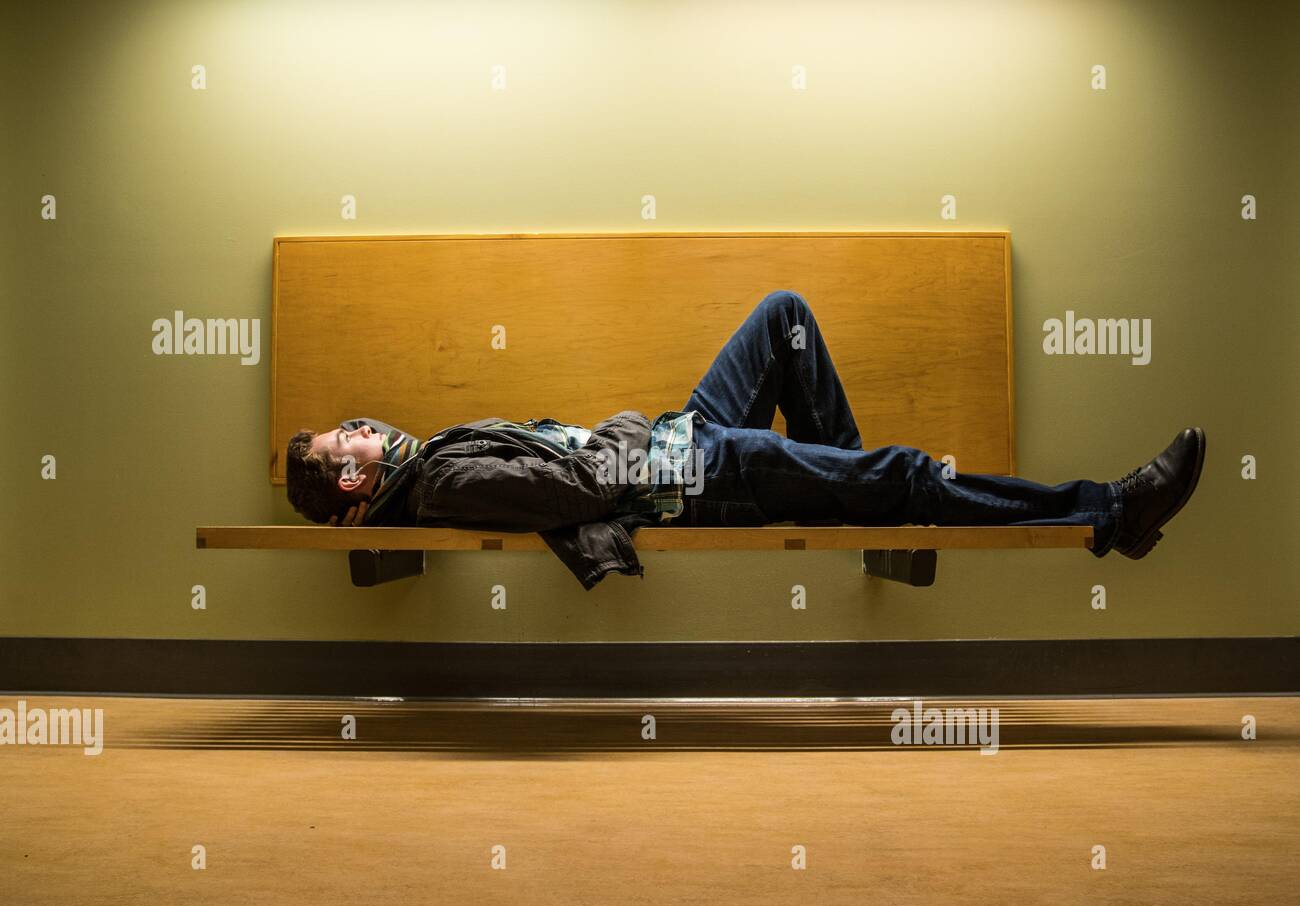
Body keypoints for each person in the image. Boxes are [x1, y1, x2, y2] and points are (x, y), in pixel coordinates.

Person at [286, 291, 1205, 590]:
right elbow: (579, 492)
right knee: (909, 475)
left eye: (354, 424)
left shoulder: (434, 457)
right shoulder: (441, 482)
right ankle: (1109, 513)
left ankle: (864, 504)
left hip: (681, 444)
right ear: (358, 495)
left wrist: (639, 430)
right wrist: (630, 427)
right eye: (350, 443)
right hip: (687, 477)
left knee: (783, 320)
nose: (366, 429)